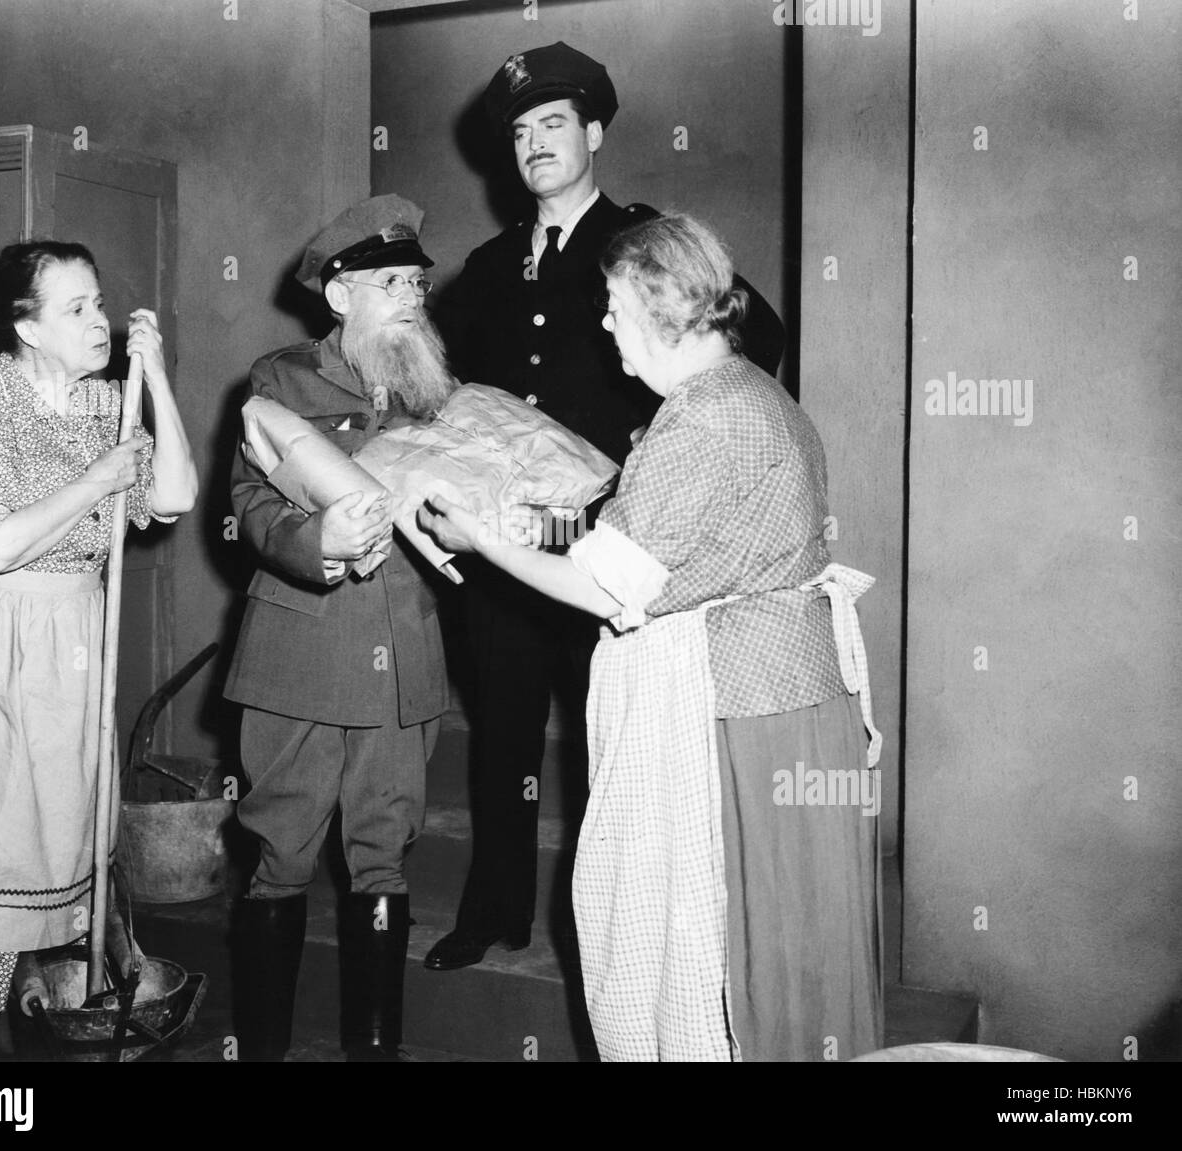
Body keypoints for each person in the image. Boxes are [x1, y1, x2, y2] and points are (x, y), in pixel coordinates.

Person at [420, 213, 882, 1061]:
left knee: (707, 937)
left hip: (733, 714)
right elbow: (667, 538)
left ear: (664, 310)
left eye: (614, 306)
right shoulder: (749, 393)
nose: (604, 323)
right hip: (789, 697)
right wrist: (536, 523)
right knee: (786, 940)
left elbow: (602, 583)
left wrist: (482, 540)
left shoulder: (699, 421)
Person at [425, 40, 788, 973]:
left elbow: (751, 340)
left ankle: (611, 928)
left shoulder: (644, 244)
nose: (535, 143)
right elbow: (443, 391)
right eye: (519, 131)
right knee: (501, 728)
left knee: (613, 737)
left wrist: (653, 450)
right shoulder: (491, 263)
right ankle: (496, 907)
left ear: (593, 132)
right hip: (508, 542)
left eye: (554, 123)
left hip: (621, 535)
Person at [0, 240, 197, 1060]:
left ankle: (39, 1038)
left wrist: (153, 377)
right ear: (25, 326)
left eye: (99, 301)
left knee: (57, 860)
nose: (101, 320)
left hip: (67, 650)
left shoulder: (101, 402)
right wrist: (97, 482)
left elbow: (175, 494)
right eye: (78, 309)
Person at [223, 194, 454, 1062]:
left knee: (384, 855)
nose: (409, 295)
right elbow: (247, 508)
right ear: (338, 294)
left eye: (417, 281)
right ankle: (265, 1048)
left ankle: (375, 1050)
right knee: (281, 852)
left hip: (405, 657)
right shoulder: (278, 380)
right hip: (301, 650)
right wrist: (316, 538)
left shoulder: (440, 388)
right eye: (388, 280)